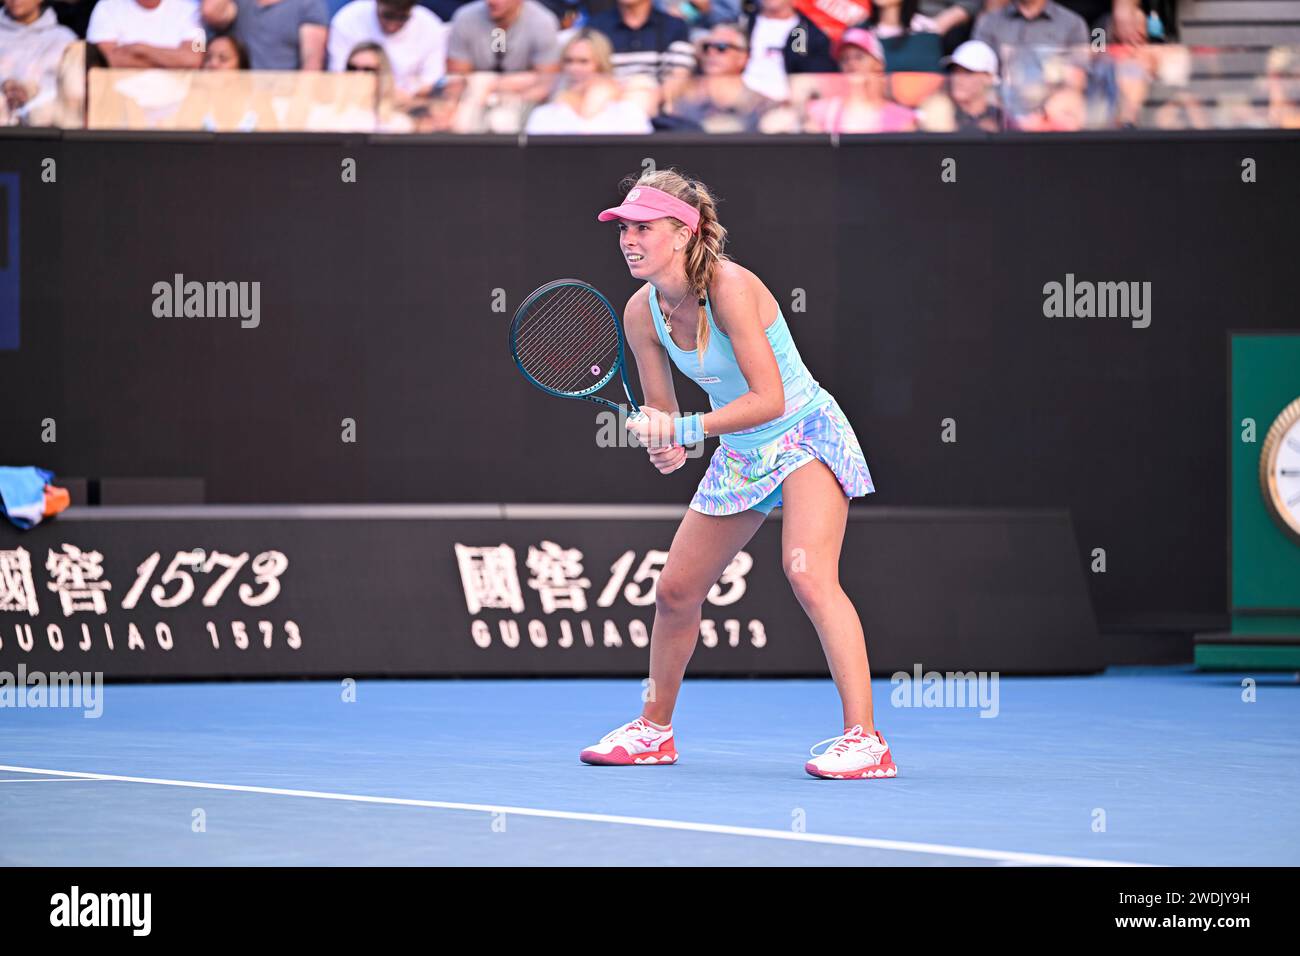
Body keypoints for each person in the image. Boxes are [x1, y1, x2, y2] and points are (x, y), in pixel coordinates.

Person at [579, 169, 894, 781]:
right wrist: (667, 444)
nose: (628, 239)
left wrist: (689, 432)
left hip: (803, 433)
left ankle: (866, 740)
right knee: (674, 592)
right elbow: (665, 414)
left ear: (682, 232)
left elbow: (769, 398)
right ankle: (655, 731)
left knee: (808, 576)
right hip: (742, 451)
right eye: (624, 228)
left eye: (644, 227)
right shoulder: (640, 312)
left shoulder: (729, 288)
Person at [524, 28, 650, 132]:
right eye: (569, 61)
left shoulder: (627, 114)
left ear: (601, 66)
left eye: (583, 62)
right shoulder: (545, 115)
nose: (574, 69)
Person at [660, 22, 773, 132]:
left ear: (743, 57)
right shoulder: (682, 98)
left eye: (721, 47)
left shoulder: (761, 105)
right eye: (706, 47)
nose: (711, 52)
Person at [804, 28, 917, 133]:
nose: (851, 63)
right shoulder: (822, 112)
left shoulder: (902, 118)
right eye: (844, 59)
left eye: (859, 57)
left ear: (878, 63)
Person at [327, 0, 447, 95]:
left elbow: (433, 82)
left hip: (410, 106)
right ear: (377, 3)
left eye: (402, 18)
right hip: (356, 102)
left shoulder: (430, 26)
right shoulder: (348, 19)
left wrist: (405, 98)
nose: (392, 26)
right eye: (387, 15)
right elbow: (339, 75)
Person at [0, 0, 76, 125]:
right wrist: (5, 85)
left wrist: (30, 91)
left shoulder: (64, 39)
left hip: (47, 130)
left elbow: (71, 91)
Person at [199, 0, 329, 71]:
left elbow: (312, 62)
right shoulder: (237, 3)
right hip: (239, 97)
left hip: (282, 99)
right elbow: (210, 11)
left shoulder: (307, 4)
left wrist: (299, 105)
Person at [444, 0, 560, 73]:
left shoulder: (542, 21)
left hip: (524, 97)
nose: (492, 1)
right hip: (474, 95)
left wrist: (493, 84)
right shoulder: (465, 17)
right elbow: (457, 78)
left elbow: (547, 79)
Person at [86, 0, 207, 68]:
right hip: (118, 101)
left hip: (182, 103)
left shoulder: (193, 8)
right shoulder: (106, 7)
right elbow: (103, 61)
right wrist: (173, 61)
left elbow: (195, 59)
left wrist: (140, 49)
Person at [943, 37, 1001, 128]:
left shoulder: (1003, 121)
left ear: (988, 78)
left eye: (968, 72)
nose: (958, 79)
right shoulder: (937, 115)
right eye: (955, 71)